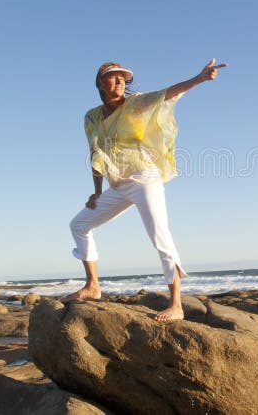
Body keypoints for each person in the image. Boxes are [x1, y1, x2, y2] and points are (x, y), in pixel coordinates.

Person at [66, 58, 228, 322]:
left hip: (144, 177)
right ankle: (93, 286)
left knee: (160, 237)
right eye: (113, 77)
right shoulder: (91, 117)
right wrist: (97, 192)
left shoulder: (136, 104)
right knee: (79, 224)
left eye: (122, 78)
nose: (119, 81)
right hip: (118, 184)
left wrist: (199, 78)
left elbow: (169, 93)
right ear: (100, 83)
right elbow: (96, 155)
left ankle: (176, 305)